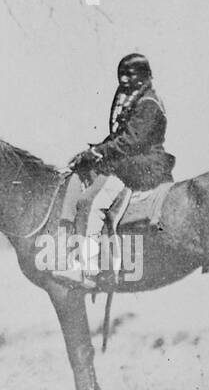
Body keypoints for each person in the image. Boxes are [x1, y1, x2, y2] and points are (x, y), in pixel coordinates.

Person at [59, 53, 176, 287]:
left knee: (90, 203)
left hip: (143, 163)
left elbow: (131, 141)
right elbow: (119, 137)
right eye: (120, 74)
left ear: (143, 76)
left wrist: (98, 152)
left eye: (129, 75)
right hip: (130, 159)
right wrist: (91, 153)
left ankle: (87, 269)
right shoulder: (134, 100)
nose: (123, 80)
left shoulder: (148, 104)